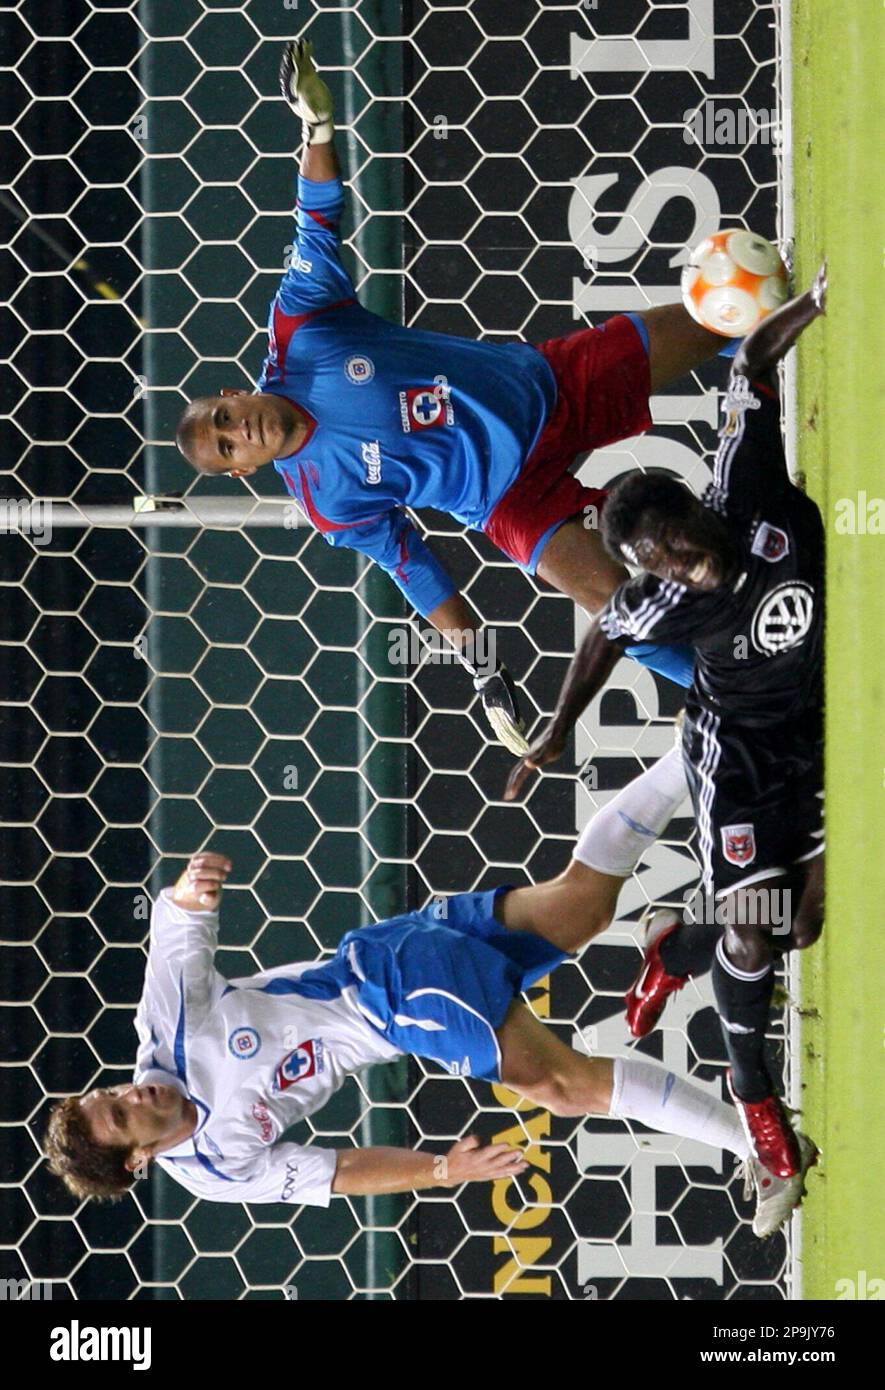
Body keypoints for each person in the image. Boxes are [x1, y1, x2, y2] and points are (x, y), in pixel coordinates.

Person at [174, 40, 744, 752]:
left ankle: (798, 320)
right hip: (506, 499)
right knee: (611, 604)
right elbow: (408, 562)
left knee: (716, 315)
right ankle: (744, 697)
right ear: (242, 471)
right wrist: (476, 662)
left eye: (225, 417)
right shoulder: (327, 501)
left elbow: (314, 219)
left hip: (545, 386)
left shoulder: (301, 329)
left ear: (233, 393)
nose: (240, 432)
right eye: (229, 447)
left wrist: (314, 129)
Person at [43, 747, 816, 1238]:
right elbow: (339, 1173)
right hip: (398, 962)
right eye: (122, 1113)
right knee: (582, 904)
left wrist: (188, 891)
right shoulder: (215, 1171)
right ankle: (699, 748)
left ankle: (762, 1148)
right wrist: (442, 1171)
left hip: (385, 991)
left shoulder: (167, 1033)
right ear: (140, 1160)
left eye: (111, 1090)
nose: (133, 1089)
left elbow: (177, 933)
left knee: (561, 1084)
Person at [504, 269, 827, 1184]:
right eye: (661, 567)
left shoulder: (744, 486)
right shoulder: (658, 603)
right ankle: (756, 1104)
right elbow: (603, 634)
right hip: (745, 760)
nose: (684, 569)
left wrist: (811, 301)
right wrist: (559, 731)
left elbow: (753, 359)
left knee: (786, 920)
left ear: (690, 509)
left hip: (807, 721)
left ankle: (673, 945)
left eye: (680, 546)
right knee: (770, 932)